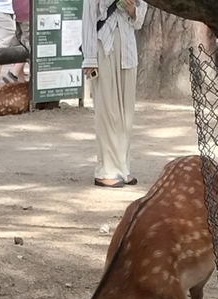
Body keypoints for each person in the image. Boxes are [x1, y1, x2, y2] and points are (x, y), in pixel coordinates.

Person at [81, 0, 147, 188]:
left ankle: (122, 166)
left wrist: (133, 10)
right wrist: (90, 57)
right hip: (104, 46)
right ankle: (106, 170)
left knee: (126, 112)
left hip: (128, 50)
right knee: (107, 109)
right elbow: (89, 17)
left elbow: (139, 21)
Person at [12, 0, 31, 83]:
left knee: (19, 43)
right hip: (29, 12)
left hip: (18, 11)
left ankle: (21, 80)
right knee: (30, 45)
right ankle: (13, 73)